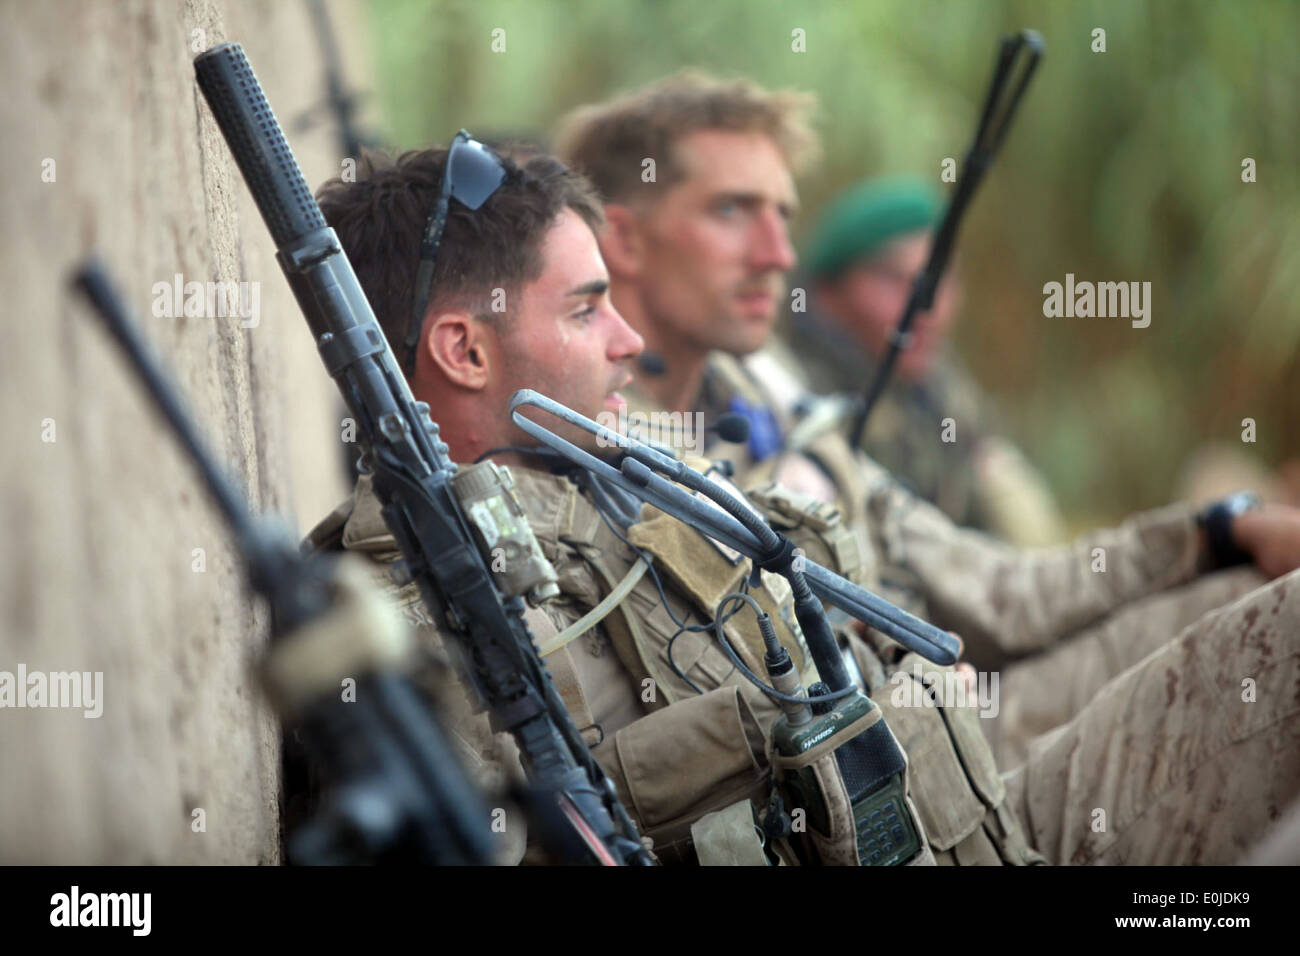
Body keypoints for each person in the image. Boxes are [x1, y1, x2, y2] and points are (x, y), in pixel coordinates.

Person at [305, 132, 1300, 866]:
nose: (627, 341)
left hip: (967, 809)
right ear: (465, 350)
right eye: (585, 307)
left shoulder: (616, 471)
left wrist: (1212, 531)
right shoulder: (420, 609)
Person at [552, 69, 1300, 774]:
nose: (777, 254)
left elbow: (998, 588)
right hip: (893, 785)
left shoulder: (773, 402)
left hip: (963, 725)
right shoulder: (596, 467)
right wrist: (910, 698)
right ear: (625, 240)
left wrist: (1217, 531)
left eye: (782, 215)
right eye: (730, 211)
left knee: (1254, 595)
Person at [796, 176, 1067, 546]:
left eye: (942, 279)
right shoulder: (789, 391)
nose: (929, 308)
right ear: (828, 294)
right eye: (896, 280)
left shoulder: (942, 385)